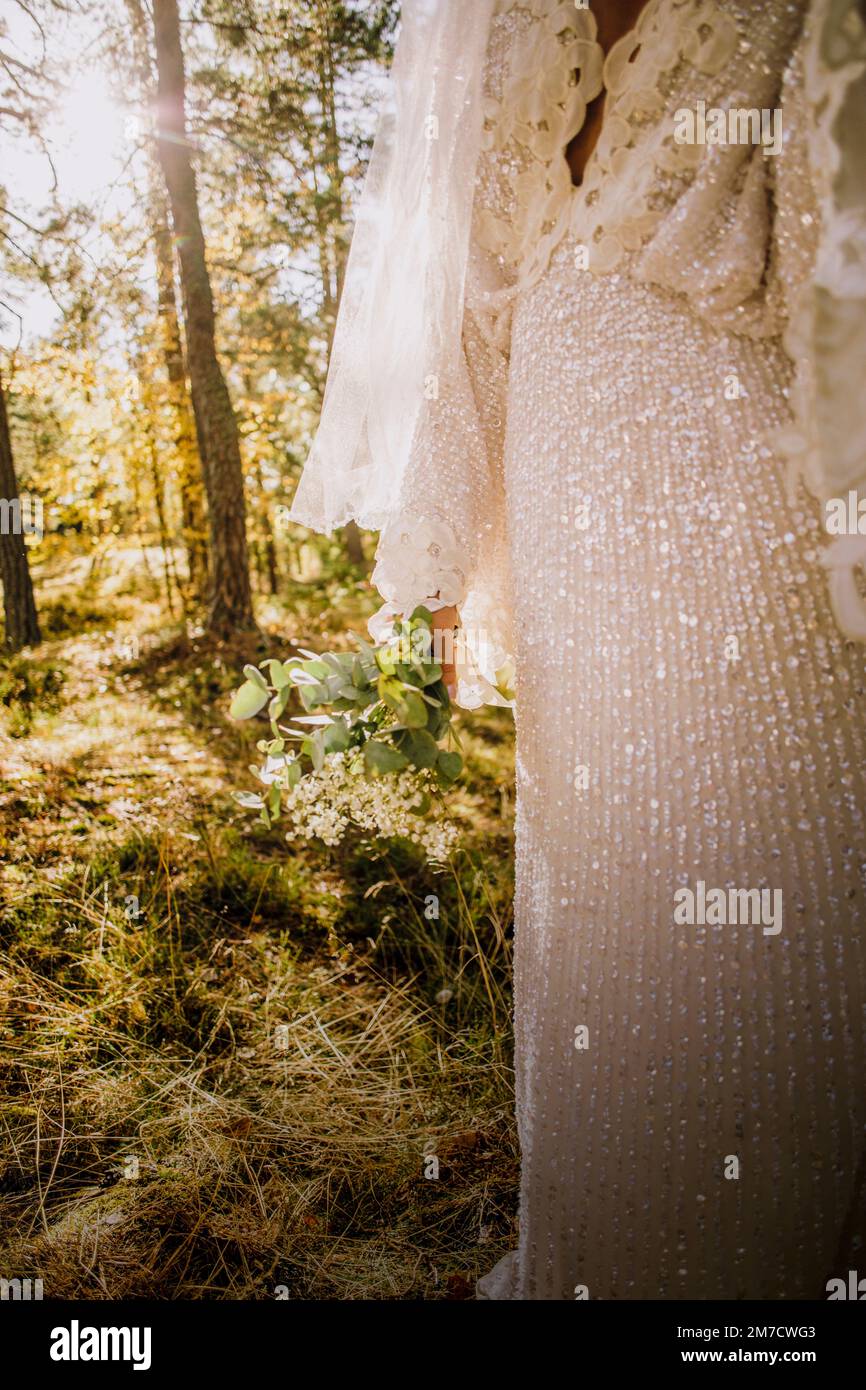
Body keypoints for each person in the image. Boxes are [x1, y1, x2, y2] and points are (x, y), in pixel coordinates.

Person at [291, 0, 866, 1299]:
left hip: (750, 527)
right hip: (567, 562)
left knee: (762, 961)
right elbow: (461, 298)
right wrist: (434, 556)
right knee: (604, 944)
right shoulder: (485, 26)